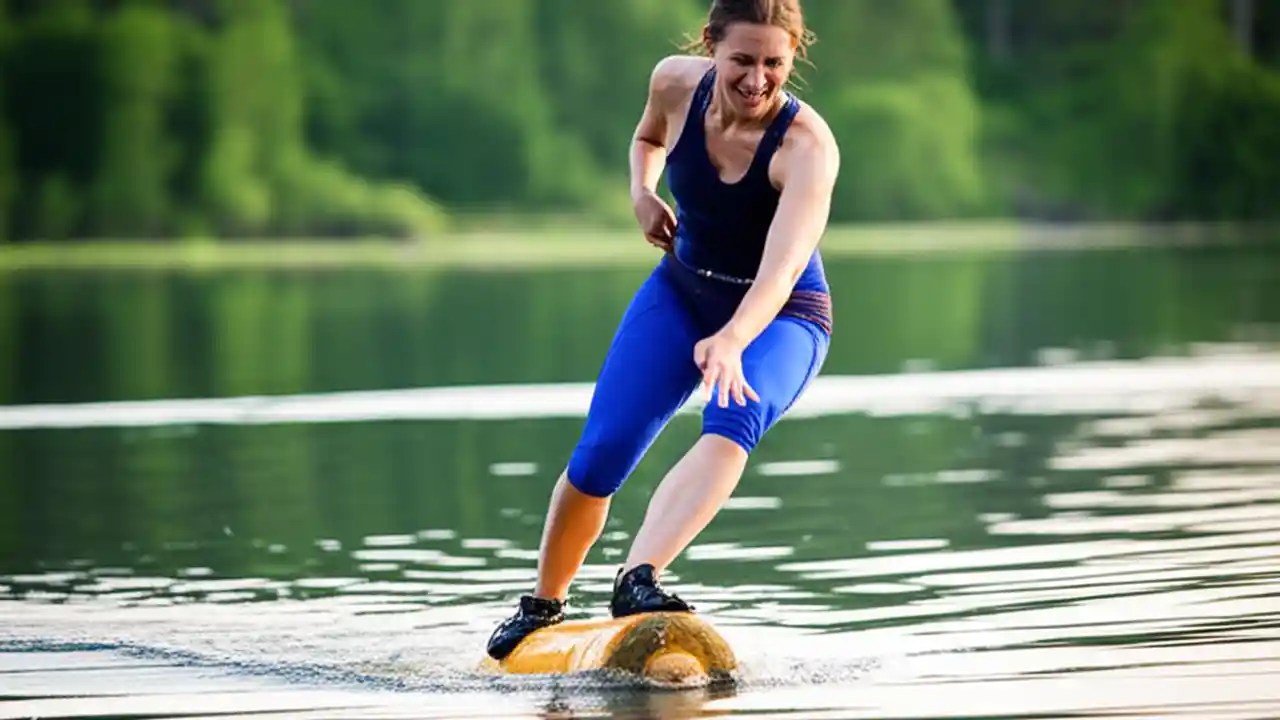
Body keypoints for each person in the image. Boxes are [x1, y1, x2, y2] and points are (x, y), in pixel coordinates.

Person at [487, 0, 838, 660]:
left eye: (774, 64)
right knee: (602, 453)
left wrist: (733, 339)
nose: (757, 80)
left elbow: (783, 268)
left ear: (793, 59)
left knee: (737, 414)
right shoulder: (675, 82)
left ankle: (640, 575)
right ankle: (543, 604)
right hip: (681, 292)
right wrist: (643, 192)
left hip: (783, 315)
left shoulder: (807, 148)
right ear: (710, 47)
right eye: (741, 61)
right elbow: (647, 139)